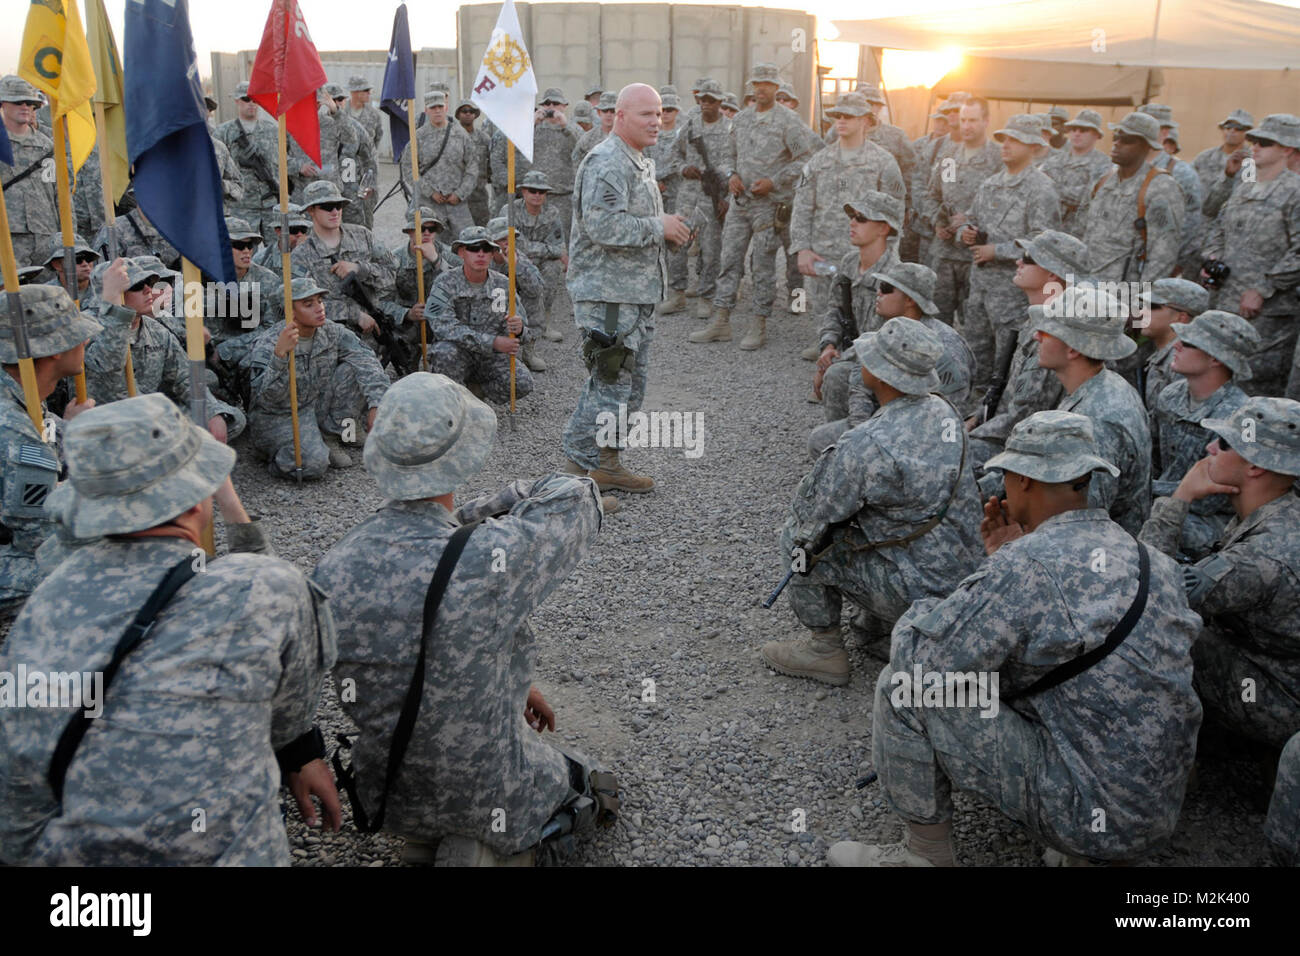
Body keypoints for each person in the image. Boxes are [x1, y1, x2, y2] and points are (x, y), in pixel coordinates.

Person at [831, 410, 1201, 866]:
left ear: (1023, 479)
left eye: (1005, 475)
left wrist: (977, 581)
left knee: (902, 687)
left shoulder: (1026, 565)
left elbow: (923, 660)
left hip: (1086, 813)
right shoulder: (1151, 560)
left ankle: (923, 856)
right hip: (1154, 809)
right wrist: (1003, 562)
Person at [0, 393, 339, 865]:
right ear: (198, 497)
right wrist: (301, 753)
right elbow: (284, 708)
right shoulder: (264, 589)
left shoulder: (43, 608)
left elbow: (19, 782)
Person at [315, 373, 618, 866]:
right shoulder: (493, 557)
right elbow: (577, 493)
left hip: (388, 791)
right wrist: (498, 502)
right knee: (591, 785)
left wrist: (513, 687)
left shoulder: (334, 565)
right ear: (462, 457)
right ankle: (495, 851)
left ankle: (429, 835)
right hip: (487, 786)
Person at [763, 317, 981, 687]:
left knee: (797, 539)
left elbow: (813, 512)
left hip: (915, 587)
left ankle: (824, 649)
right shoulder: (945, 413)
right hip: (961, 579)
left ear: (879, 375)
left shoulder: (866, 443)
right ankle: (882, 629)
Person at [1139, 396, 1300, 753]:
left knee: (1151, 639)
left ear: (1255, 466)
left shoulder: (1260, 557)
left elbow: (1146, 597)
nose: (1211, 447)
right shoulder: (1282, 511)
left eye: (1225, 444)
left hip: (1282, 699)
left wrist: (1179, 498)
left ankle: (1162, 762)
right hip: (1278, 667)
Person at [562, 84, 691, 495]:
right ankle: (572, 481)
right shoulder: (607, 161)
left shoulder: (637, 160)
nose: (656, 121)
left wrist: (665, 231)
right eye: (645, 114)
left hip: (634, 295)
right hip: (609, 298)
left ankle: (608, 464)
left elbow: (628, 221)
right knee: (608, 386)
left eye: (659, 113)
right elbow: (601, 226)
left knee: (628, 389)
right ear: (620, 116)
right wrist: (659, 226)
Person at [692, 63, 817, 350]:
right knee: (730, 260)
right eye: (757, 83)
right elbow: (727, 155)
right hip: (740, 203)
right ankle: (721, 320)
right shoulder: (742, 119)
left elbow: (804, 161)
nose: (761, 88)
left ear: (776, 87)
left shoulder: (789, 121)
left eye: (767, 84)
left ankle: (758, 324)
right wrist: (730, 175)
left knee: (762, 264)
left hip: (769, 206)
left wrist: (774, 181)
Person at [0, 286, 99, 618]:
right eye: (76, 335)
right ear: (54, 350)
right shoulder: (14, 428)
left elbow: (50, 434)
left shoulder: (21, 394)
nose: (83, 341)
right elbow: (38, 537)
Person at [1028, 284, 1152, 534]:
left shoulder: (1098, 418)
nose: (1036, 336)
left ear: (1073, 348)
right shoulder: (1101, 387)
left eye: (1047, 331)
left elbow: (1084, 520)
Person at [791, 92, 905, 361]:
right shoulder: (818, 162)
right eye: (838, 116)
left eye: (848, 117)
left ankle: (860, 369)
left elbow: (896, 214)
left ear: (866, 121)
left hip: (867, 260)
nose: (841, 121)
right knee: (826, 311)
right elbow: (802, 207)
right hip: (824, 253)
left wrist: (888, 258)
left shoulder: (883, 162)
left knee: (868, 319)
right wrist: (802, 249)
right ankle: (828, 362)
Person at [85, 257, 244, 442]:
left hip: (152, 416)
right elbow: (108, 364)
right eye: (137, 286)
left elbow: (185, 377)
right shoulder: (88, 327)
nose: (148, 290)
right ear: (112, 294)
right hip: (109, 426)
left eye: (148, 283)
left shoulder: (156, 329)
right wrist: (116, 312)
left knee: (230, 418)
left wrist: (212, 412)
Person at [248, 276, 390, 479]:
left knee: (355, 368)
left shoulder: (331, 331)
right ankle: (275, 454)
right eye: (308, 304)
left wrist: (377, 404)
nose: (319, 308)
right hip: (280, 416)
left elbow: (366, 359)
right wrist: (279, 358)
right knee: (313, 465)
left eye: (320, 301)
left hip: (313, 403)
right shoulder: (269, 344)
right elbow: (267, 400)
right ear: (289, 311)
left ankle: (330, 434)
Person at [959, 114, 1061, 393]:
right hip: (980, 287)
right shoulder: (990, 183)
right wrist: (967, 231)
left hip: (1013, 292)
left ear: (1033, 147)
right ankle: (973, 414)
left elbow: (1045, 242)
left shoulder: (1041, 189)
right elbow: (971, 219)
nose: (1006, 145)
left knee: (1007, 365)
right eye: (1004, 139)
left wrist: (998, 251)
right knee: (975, 357)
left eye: (1015, 141)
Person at [1201, 113, 1300, 398]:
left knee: (1254, 385)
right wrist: (1212, 261)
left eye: (1265, 143)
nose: (1254, 146)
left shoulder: (1294, 192)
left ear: (1287, 149)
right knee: (1217, 380)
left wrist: (1263, 288)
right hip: (1225, 300)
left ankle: (1248, 442)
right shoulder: (1244, 186)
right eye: (1254, 140)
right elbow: (1218, 228)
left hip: (1266, 312)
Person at [965, 230, 1081, 470]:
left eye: (1028, 258)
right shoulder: (1037, 319)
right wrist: (976, 418)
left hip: (1028, 448)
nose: (1018, 261)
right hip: (1006, 432)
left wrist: (970, 438)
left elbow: (1024, 417)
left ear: (1052, 273)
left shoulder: (1056, 333)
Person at [1149, 310, 1257, 560]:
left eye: (1187, 343)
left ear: (1215, 359)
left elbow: (1213, 498)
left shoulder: (1238, 416)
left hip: (1209, 521)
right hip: (1167, 502)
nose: (1176, 346)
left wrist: (1150, 492)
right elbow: (1154, 458)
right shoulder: (1171, 396)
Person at [810, 193, 902, 440]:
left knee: (837, 375)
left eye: (861, 218)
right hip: (855, 357)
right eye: (852, 216)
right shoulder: (849, 262)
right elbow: (835, 310)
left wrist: (834, 361)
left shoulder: (894, 277)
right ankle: (840, 442)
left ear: (883, 227)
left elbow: (878, 339)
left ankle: (849, 445)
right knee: (837, 373)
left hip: (884, 366)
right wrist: (828, 345)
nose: (852, 223)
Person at [425, 226, 533, 405]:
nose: (481, 254)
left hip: (491, 357)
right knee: (444, 353)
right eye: (474, 248)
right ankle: (454, 402)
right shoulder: (444, 283)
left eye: (487, 249)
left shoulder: (504, 284)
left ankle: (475, 392)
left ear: (492, 254)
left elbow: (526, 332)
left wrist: (519, 330)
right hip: (459, 352)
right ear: (461, 252)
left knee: (521, 383)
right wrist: (492, 341)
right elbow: (441, 326)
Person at [1079, 112, 1183, 285]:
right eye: (1116, 137)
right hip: (1084, 286)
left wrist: (1142, 302)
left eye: (1127, 140)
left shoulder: (1161, 187)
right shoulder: (1104, 180)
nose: (1117, 144)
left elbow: (1163, 254)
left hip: (1122, 295)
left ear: (1146, 146)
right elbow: (1081, 232)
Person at [289, 179, 396, 346]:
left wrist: (360, 269)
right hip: (327, 341)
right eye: (327, 206)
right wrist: (354, 314)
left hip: (372, 334)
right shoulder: (301, 256)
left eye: (338, 206)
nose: (335, 212)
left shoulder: (363, 236)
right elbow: (298, 305)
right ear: (311, 210)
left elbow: (391, 274)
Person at [925, 98, 1001, 322]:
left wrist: (969, 220)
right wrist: (937, 221)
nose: (966, 126)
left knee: (976, 323)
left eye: (973, 120)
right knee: (937, 319)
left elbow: (1004, 204)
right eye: (964, 120)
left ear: (986, 121)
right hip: (945, 254)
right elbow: (933, 195)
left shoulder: (998, 158)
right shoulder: (949, 157)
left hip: (977, 255)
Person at [671, 78, 732, 320]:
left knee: (711, 251)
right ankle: (677, 294)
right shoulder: (690, 126)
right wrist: (683, 168)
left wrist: (725, 193)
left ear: (719, 103)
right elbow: (674, 153)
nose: (706, 104)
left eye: (711, 101)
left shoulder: (730, 129)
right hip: (688, 195)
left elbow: (735, 161)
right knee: (677, 245)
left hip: (714, 197)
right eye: (702, 100)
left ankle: (707, 297)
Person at [215, 81, 289, 245]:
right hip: (241, 207)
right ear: (236, 101)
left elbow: (285, 162)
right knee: (244, 253)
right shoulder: (223, 132)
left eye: (255, 100)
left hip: (271, 204)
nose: (252, 104)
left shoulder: (273, 130)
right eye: (246, 99)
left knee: (279, 251)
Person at [398, 90, 478, 236]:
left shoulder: (461, 135)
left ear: (446, 107)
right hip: (429, 204)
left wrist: (460, 194)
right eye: (433, 108)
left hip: (457, 203)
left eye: (440, 107)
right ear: (426, 110)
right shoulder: (418, 137)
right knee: (430, 243)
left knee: (468, 241)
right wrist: (429, 192)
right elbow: (408, 168)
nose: (437, 111)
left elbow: (472, 167)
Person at [0, 75, 57, 268]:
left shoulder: (47, 146)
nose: (25, 107)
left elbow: (59, 194)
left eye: (30, 103)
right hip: (8, 238)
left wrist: (68, 236)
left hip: (46, 235)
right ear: (3, 104)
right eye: (18, 102)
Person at [508, 170, 568, 342]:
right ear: (524, 191)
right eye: (532, 191)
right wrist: (543, 249)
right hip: (513, 261)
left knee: (553, 268)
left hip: (540, 263)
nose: (537, 195)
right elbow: (515, 246)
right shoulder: (510, 211)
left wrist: (533, 249)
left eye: (541, 192)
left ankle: (544, 323)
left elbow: (559, 247)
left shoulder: (552, 212)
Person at [1134, 277, 1209, 410]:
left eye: (1152, 307)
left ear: (1181, 318)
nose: (1141, 312)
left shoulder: (1184, 362)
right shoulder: (1166, 354)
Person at [1041, 109, 1112, 238]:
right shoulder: (1053, 161)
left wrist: (1052, 188)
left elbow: (1086, 197)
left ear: (1096, 135)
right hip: (1047, 232)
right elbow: (1039, 191)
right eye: (1073, 130)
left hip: (1079, 236)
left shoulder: (1105, 165)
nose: (1077, 134)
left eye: (1083, 130)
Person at [647, 92, 688, 316]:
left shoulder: (681, 134)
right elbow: (643, 158)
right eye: (663, 111)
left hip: (675, 193)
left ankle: (678, 292)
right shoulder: (650, 133)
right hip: (653, 194)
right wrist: (654, 181)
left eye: (671, 110)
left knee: (676, 243)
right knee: (653, 241)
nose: (667, 114)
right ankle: (657, 286)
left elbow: (680, 161)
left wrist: (660, 178)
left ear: (677, 112)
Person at [529, 89, 583, 239]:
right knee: (535, 235)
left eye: (555, 103)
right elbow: (515, 147)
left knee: (564, 237)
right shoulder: (533, 128)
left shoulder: (572, 128)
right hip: (537, 193)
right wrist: (532, 122)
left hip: (563, 194)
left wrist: (565, 126)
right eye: (547, 103)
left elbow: (584, 146)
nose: (551, 106)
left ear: (564, 106)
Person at [1193, 109, 1254, 197]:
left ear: (1247, 133)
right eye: (1228, 127)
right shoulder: (1205, 157)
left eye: (1238, 128)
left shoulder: (1251, 161)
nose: (1232, 131)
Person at [455, 99, 493, 226]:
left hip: (478, 196)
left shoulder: (484, 139)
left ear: (475, 115)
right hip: (456, 196)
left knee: (481, 232)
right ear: (458, 114)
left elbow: (491, 164)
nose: (468, 114)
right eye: (464, 111)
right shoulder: (450, 137)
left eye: (471, 111)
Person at [41, 235, 99, 299]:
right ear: (57, 265)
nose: (85, 264)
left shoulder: (106, 288)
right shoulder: (44, 296)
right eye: (77, 259)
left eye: (89, 258)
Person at [572, 91, 617, 167]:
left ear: (618, 113)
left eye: (612, 111)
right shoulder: (588, 138)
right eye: (605, 111)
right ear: (599, 112)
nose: (608, 114)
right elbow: (576, 161)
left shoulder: (628, 137)